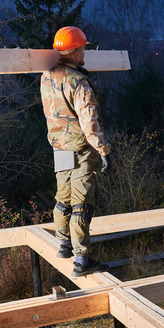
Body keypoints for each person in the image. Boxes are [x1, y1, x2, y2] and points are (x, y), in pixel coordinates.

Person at [41, 26, 111, 278]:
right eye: (83, 48)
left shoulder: (47, 74)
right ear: (75, 50)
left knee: (63, 197)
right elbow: (89, 121)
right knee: (81, 203)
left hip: (59, 147)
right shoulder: (78, 82)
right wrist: (103, 149)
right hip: (81, 149)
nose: (85, 52)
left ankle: (63, 245)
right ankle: (82, 260)